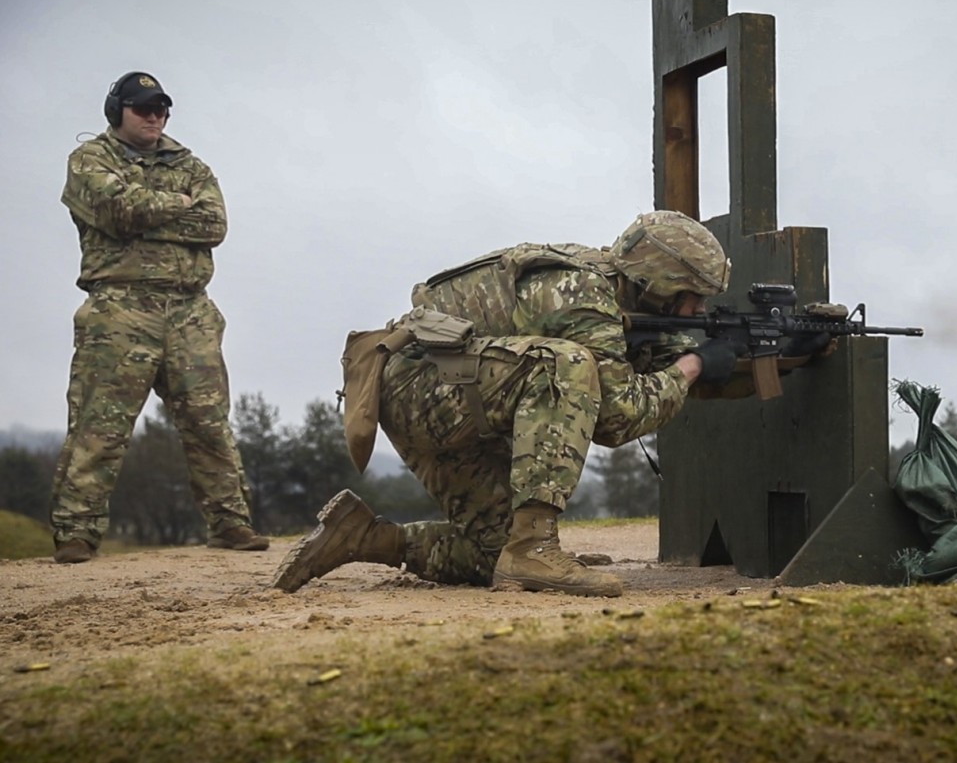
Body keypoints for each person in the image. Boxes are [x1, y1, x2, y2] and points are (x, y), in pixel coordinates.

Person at [273, 210, 829, 597]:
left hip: (451, 399)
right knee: (564, 366)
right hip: (421, 389)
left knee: (492, 554)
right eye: (693, 296)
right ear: (659, 281)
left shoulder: (616, 293)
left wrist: (786, 351)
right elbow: (617, 417)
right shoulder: (581, 297)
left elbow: (662, 356)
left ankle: (366, 538)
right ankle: (536, 547)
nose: (697, 308)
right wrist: (692, 366)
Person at [49, 71, 267, 564]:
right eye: (143, 108)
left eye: (161, 109)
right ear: (117, 111)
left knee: (210, 424)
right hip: (120, 309)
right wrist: (175, 208)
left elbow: (214, 225)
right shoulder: (89, 160)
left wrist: (150, 216)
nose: (154, 117)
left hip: (191, 310)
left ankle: (230, 522)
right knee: (100, 425)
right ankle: (76, 532)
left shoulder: (191, 165)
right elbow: (115, 210)